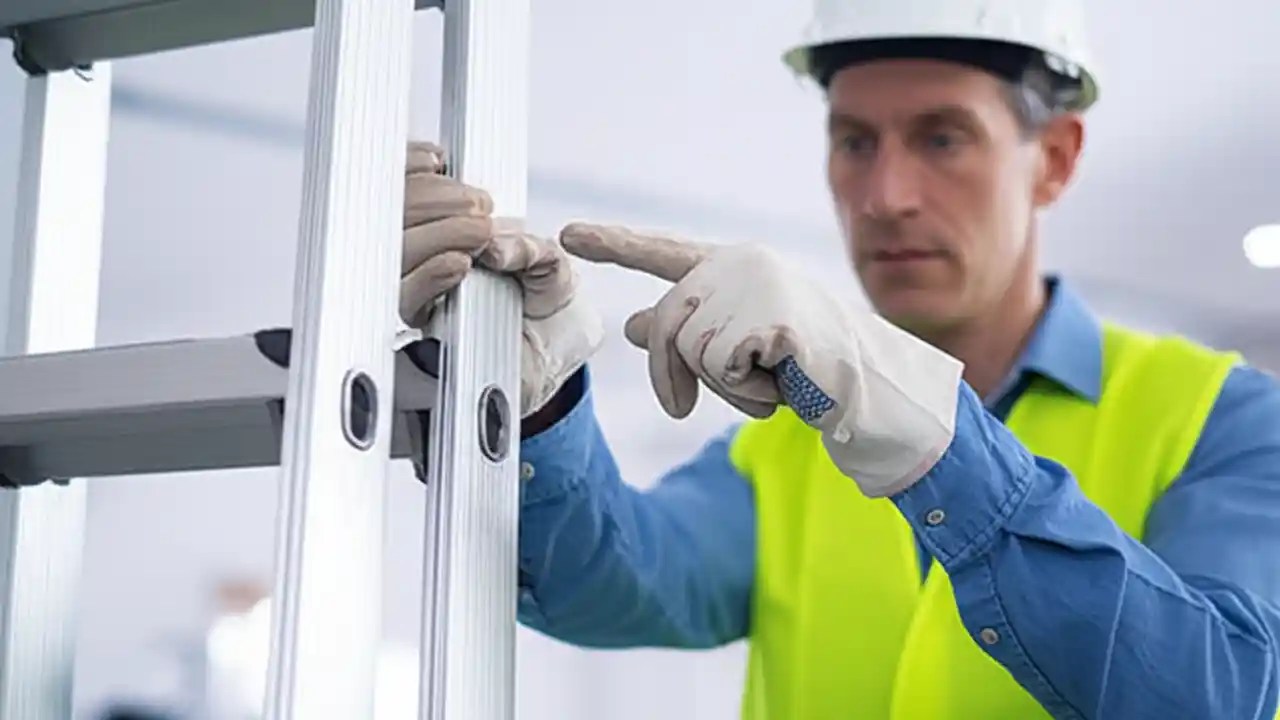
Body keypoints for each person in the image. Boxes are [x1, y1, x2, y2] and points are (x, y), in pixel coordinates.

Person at [398, 0, 1280, 717]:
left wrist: (939, 447)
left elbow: (1222, 696)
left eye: (942, 138)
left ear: (1054, 158)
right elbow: (616, 582)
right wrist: (541, 403)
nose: (885, 197)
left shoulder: (1223, 419)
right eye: (855, 141)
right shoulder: (778, 437)